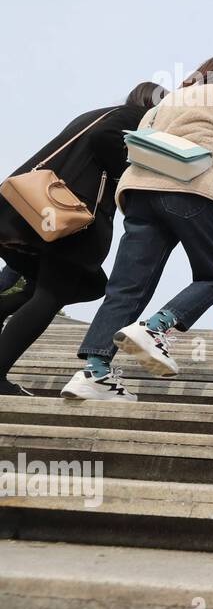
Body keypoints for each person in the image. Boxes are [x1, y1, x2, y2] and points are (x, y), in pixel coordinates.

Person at [60, 55, 213, 402]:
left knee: (126, 287)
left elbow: (138, 141)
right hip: (190, 189)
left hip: (140, 191)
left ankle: (94, 372)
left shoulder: (168, 100)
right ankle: (155, 328)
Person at [0, 82, 169, 397]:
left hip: (40, 208)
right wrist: (129, 176)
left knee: (81, 286)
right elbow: (102, 140)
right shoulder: (135, 117)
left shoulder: (98, 113)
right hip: (71, 214)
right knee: (50, 295)